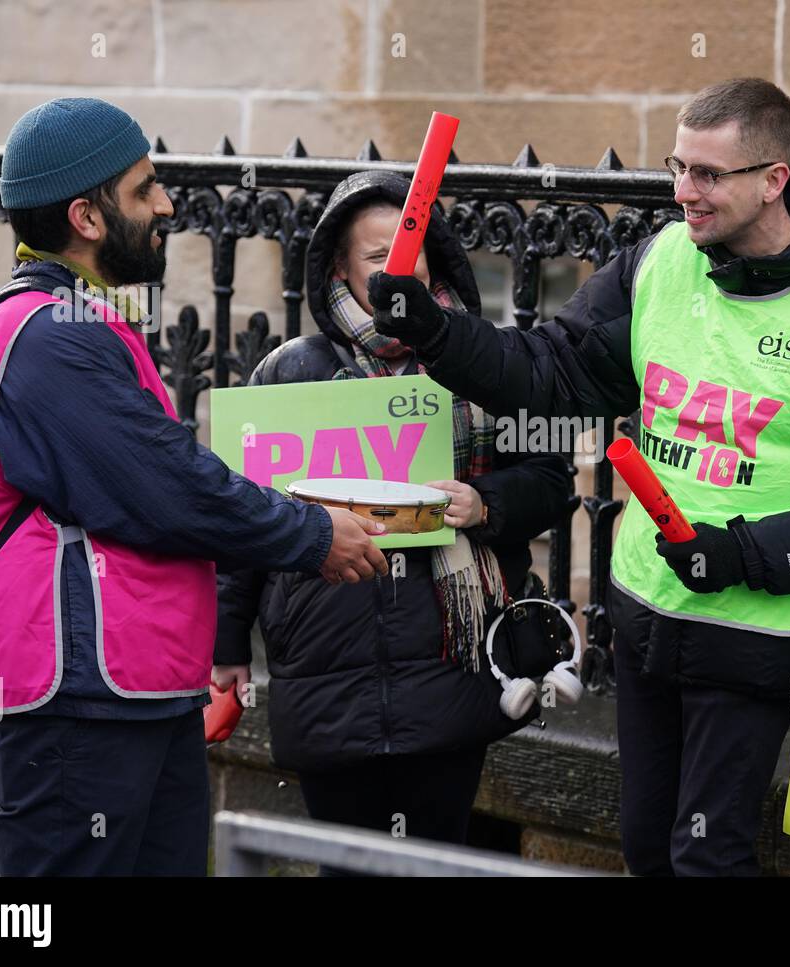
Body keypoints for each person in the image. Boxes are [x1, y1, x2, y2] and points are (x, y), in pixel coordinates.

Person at [365, 77, 790, 875]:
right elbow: (554, 371)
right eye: (678, 166)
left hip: (755, 635)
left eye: (708, 175)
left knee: (705, 857)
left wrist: (743, 554)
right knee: (647, 849)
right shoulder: (662, 261)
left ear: (774, 180)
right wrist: (438, 333)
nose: (684, 192)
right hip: (647, 616)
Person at [0, 98, 385, 876]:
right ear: (87, 216)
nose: (166, 206)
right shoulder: (48, 338)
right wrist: (314, 532)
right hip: (74, 704)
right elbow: (167, 486)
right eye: (144, 188)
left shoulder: (84, 321)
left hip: (134, 689)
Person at [212, 170, 573, 854]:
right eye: (378, 257)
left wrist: (485, 501)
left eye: (410, 253)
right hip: (327, 671)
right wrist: (228, 642)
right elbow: (244, 519)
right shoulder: (292, 371)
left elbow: (551, 480)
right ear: (340, 269)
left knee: (435, 857)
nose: (396, 270)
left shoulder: (486, 360)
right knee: (345, 861)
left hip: (447, 673)